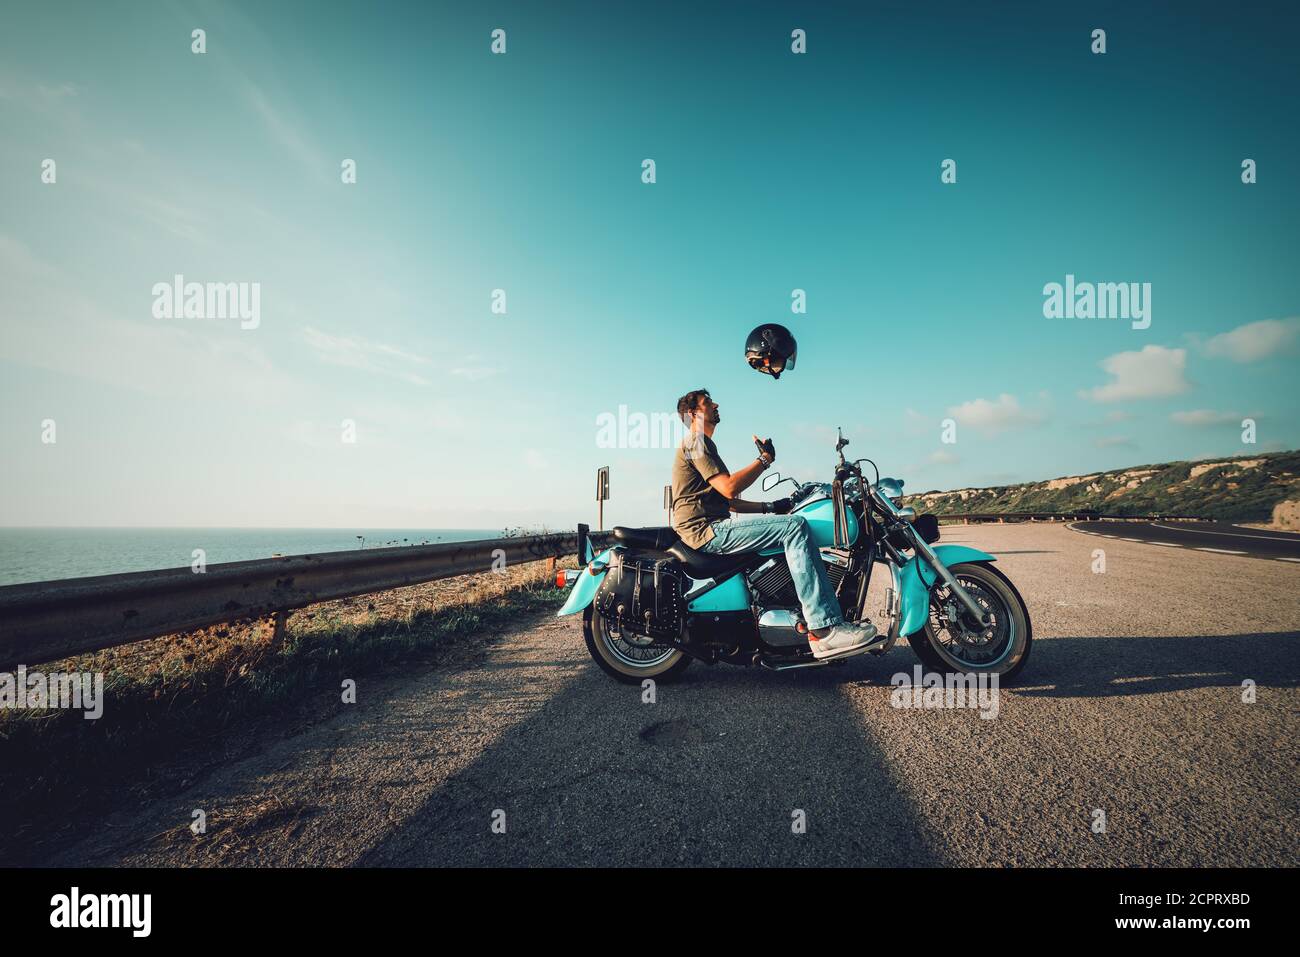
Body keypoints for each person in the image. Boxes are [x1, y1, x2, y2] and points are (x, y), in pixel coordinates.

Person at [670, 388, 883, 660]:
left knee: (787, 522)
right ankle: (823, 629)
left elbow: (728, 503)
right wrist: (764, 461)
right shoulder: (695, 442)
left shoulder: (701, 445)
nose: (716, 404)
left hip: (708, 525)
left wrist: (772, 507)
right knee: (794, 527)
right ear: (692, 414)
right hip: (706, 531)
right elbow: (729, 488)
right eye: (708, 402)